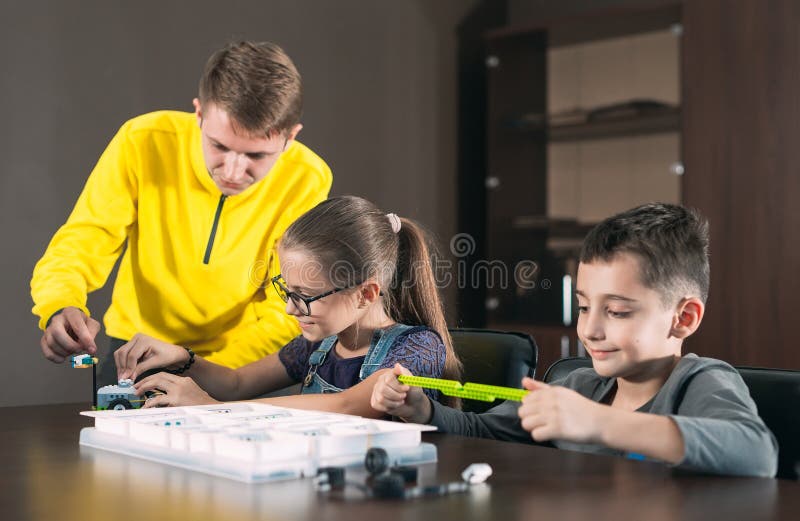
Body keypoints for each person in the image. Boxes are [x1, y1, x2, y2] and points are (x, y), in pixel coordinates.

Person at [371, 203, 778, 477]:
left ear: (683, 318)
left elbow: (757, 453)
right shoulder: (581, 385)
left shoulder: (700, 381)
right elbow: (488, 430)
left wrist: (599, 423)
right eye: (584, 307)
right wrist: (424, 410)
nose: (591, 330)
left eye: (617, 311)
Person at [31, 41, 332, 384]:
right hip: (134, 351)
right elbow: (87, 237)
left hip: (239, 363)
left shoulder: (308, 176)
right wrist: (59, 304)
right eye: (219, 146)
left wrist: (199, 369)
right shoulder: (142, 140)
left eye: (256, 156)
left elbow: (289, 299)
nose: (233, 172)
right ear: (199, 114)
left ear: (290, 138)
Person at [113, 196, 462, 416]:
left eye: (305, 296)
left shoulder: (417, 349)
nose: (290, 310)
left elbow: (346, 406)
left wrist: (212, 409)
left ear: (366, 294)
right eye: (287, 291)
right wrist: (183, 358)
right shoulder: (318, 346)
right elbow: (236, 383)